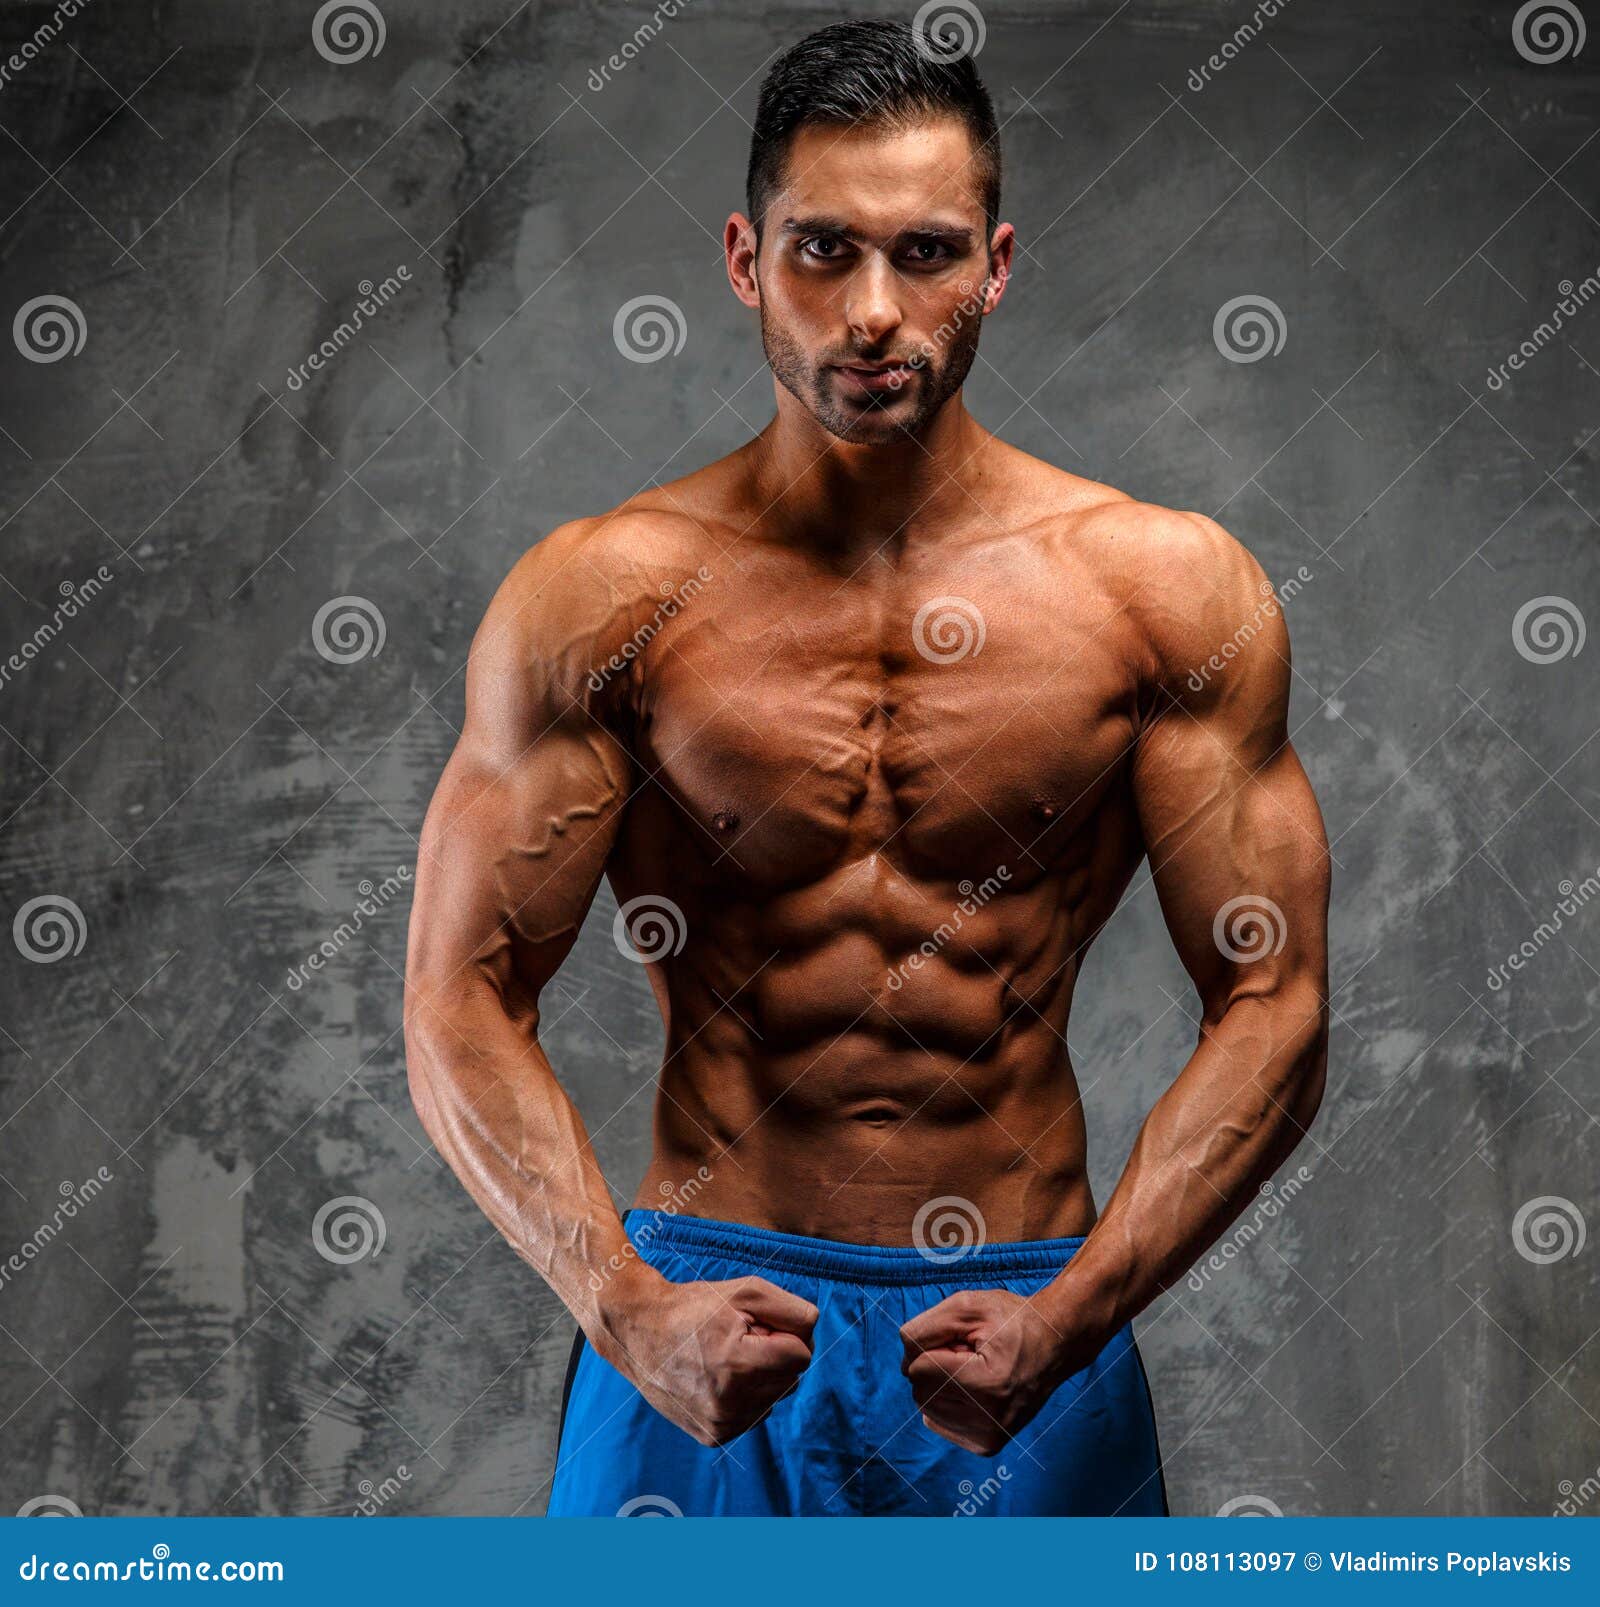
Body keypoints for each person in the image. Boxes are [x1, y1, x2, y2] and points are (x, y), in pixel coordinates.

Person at [403, 16, 1329, 1517]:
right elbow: (458, 991)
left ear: (999, 264)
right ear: (743, 257)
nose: (874, 312)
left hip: (1027, 1319)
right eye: (824, 250)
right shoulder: (601, 599)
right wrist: (628, 1311)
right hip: (706, 1323)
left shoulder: (1162, 593)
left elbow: (1276, 997)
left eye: (927, 252)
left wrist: (1079, 1315)